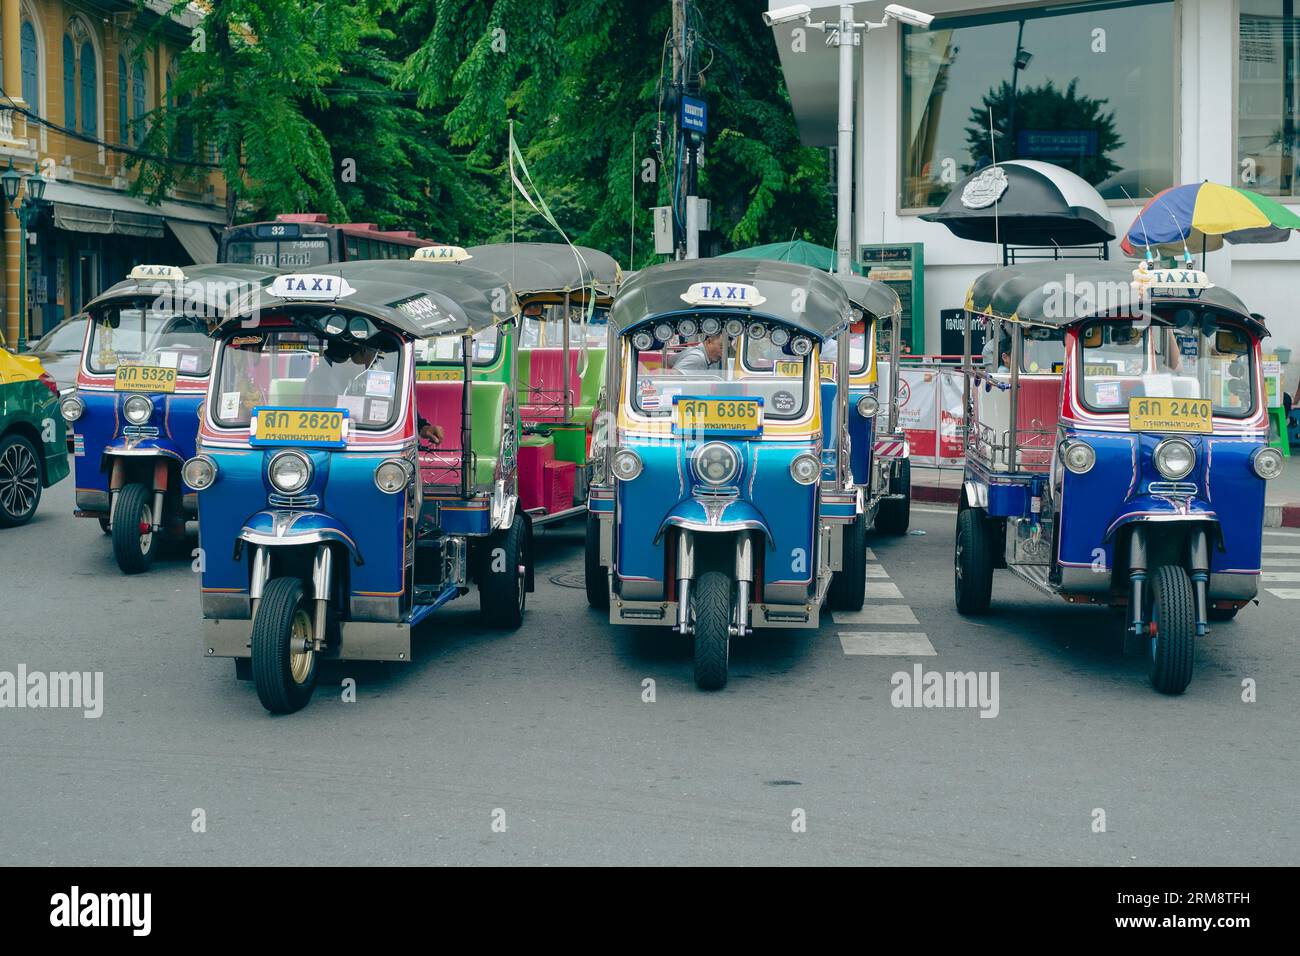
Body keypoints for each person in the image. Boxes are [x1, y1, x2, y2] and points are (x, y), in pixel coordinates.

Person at [305, 339, 443, 444]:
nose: (374, 362)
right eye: (374, 356)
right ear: (362, 352)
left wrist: (423, 427)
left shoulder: (374, 378)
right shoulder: (322, 379)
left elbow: (396, 404)